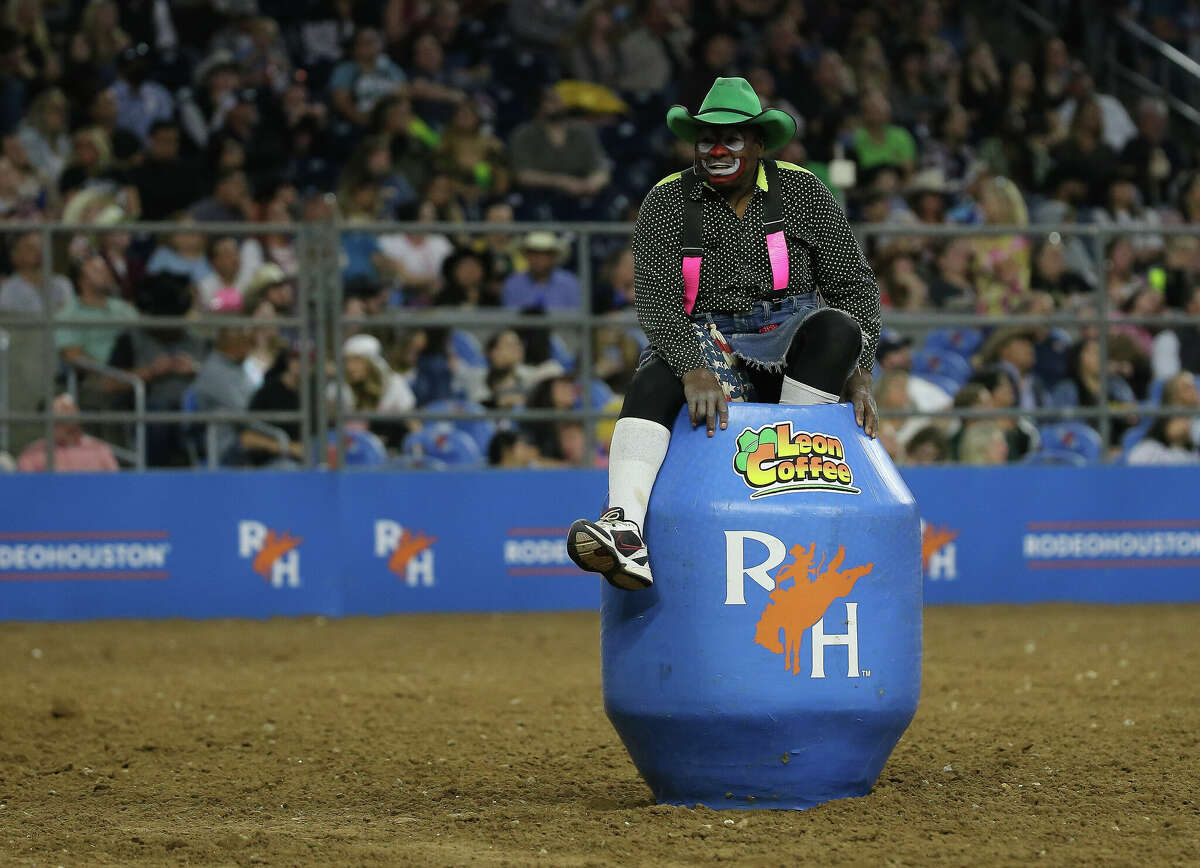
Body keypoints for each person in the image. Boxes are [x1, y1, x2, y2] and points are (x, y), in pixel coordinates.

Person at [566, 77, 880, 590]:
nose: (716, 150)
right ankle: (623, 531)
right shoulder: (666, 202)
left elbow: (854, 286)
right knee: (657, 373)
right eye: (706, 139)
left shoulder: (802, 190)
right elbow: (657, 302)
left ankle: (792, 498)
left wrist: (860, 373)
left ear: (758, 144)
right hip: (708, 340)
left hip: (792, 339)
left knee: (838, 329)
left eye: (731, 139)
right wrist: (692, 367)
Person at [16, 393, 119, 472]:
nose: (68, 416)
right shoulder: (33, 453)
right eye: (62, 411)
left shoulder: (99, 450)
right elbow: (24, 491)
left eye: (70, 410)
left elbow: (115, 487)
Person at [500, 231, 581, 311]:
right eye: (534, 253)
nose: (539, 259)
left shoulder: (570, 283)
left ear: (553, 257)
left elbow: (576, 319)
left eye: (545, 254)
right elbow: (509, 319)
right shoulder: (513, 283)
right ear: (527, 256)